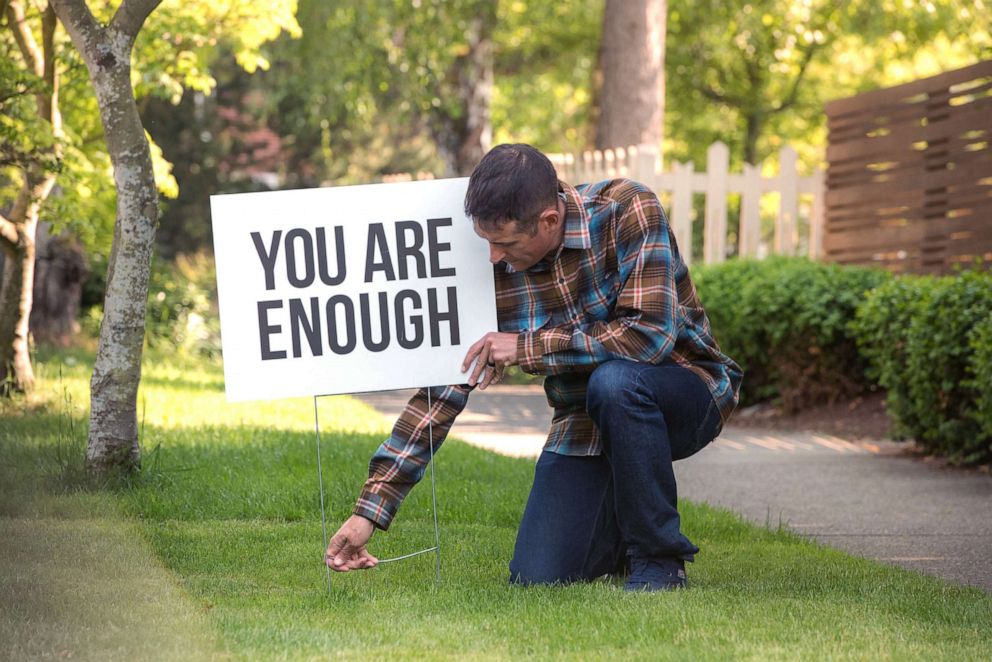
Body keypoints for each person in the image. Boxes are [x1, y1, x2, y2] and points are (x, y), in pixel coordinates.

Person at [325, 143, 742, 591]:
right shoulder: (490, 267)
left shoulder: (627, 209)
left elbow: (648, 338)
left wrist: (526, 347)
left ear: (549, 220)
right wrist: (370, 511)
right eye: (486, 241)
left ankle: (659, 558)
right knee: (536, 577)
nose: (492, 257)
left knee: (615, 384)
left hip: (684, 389)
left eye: (505, 243)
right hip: (583, 420)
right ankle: (620, 531)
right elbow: (439, 394)